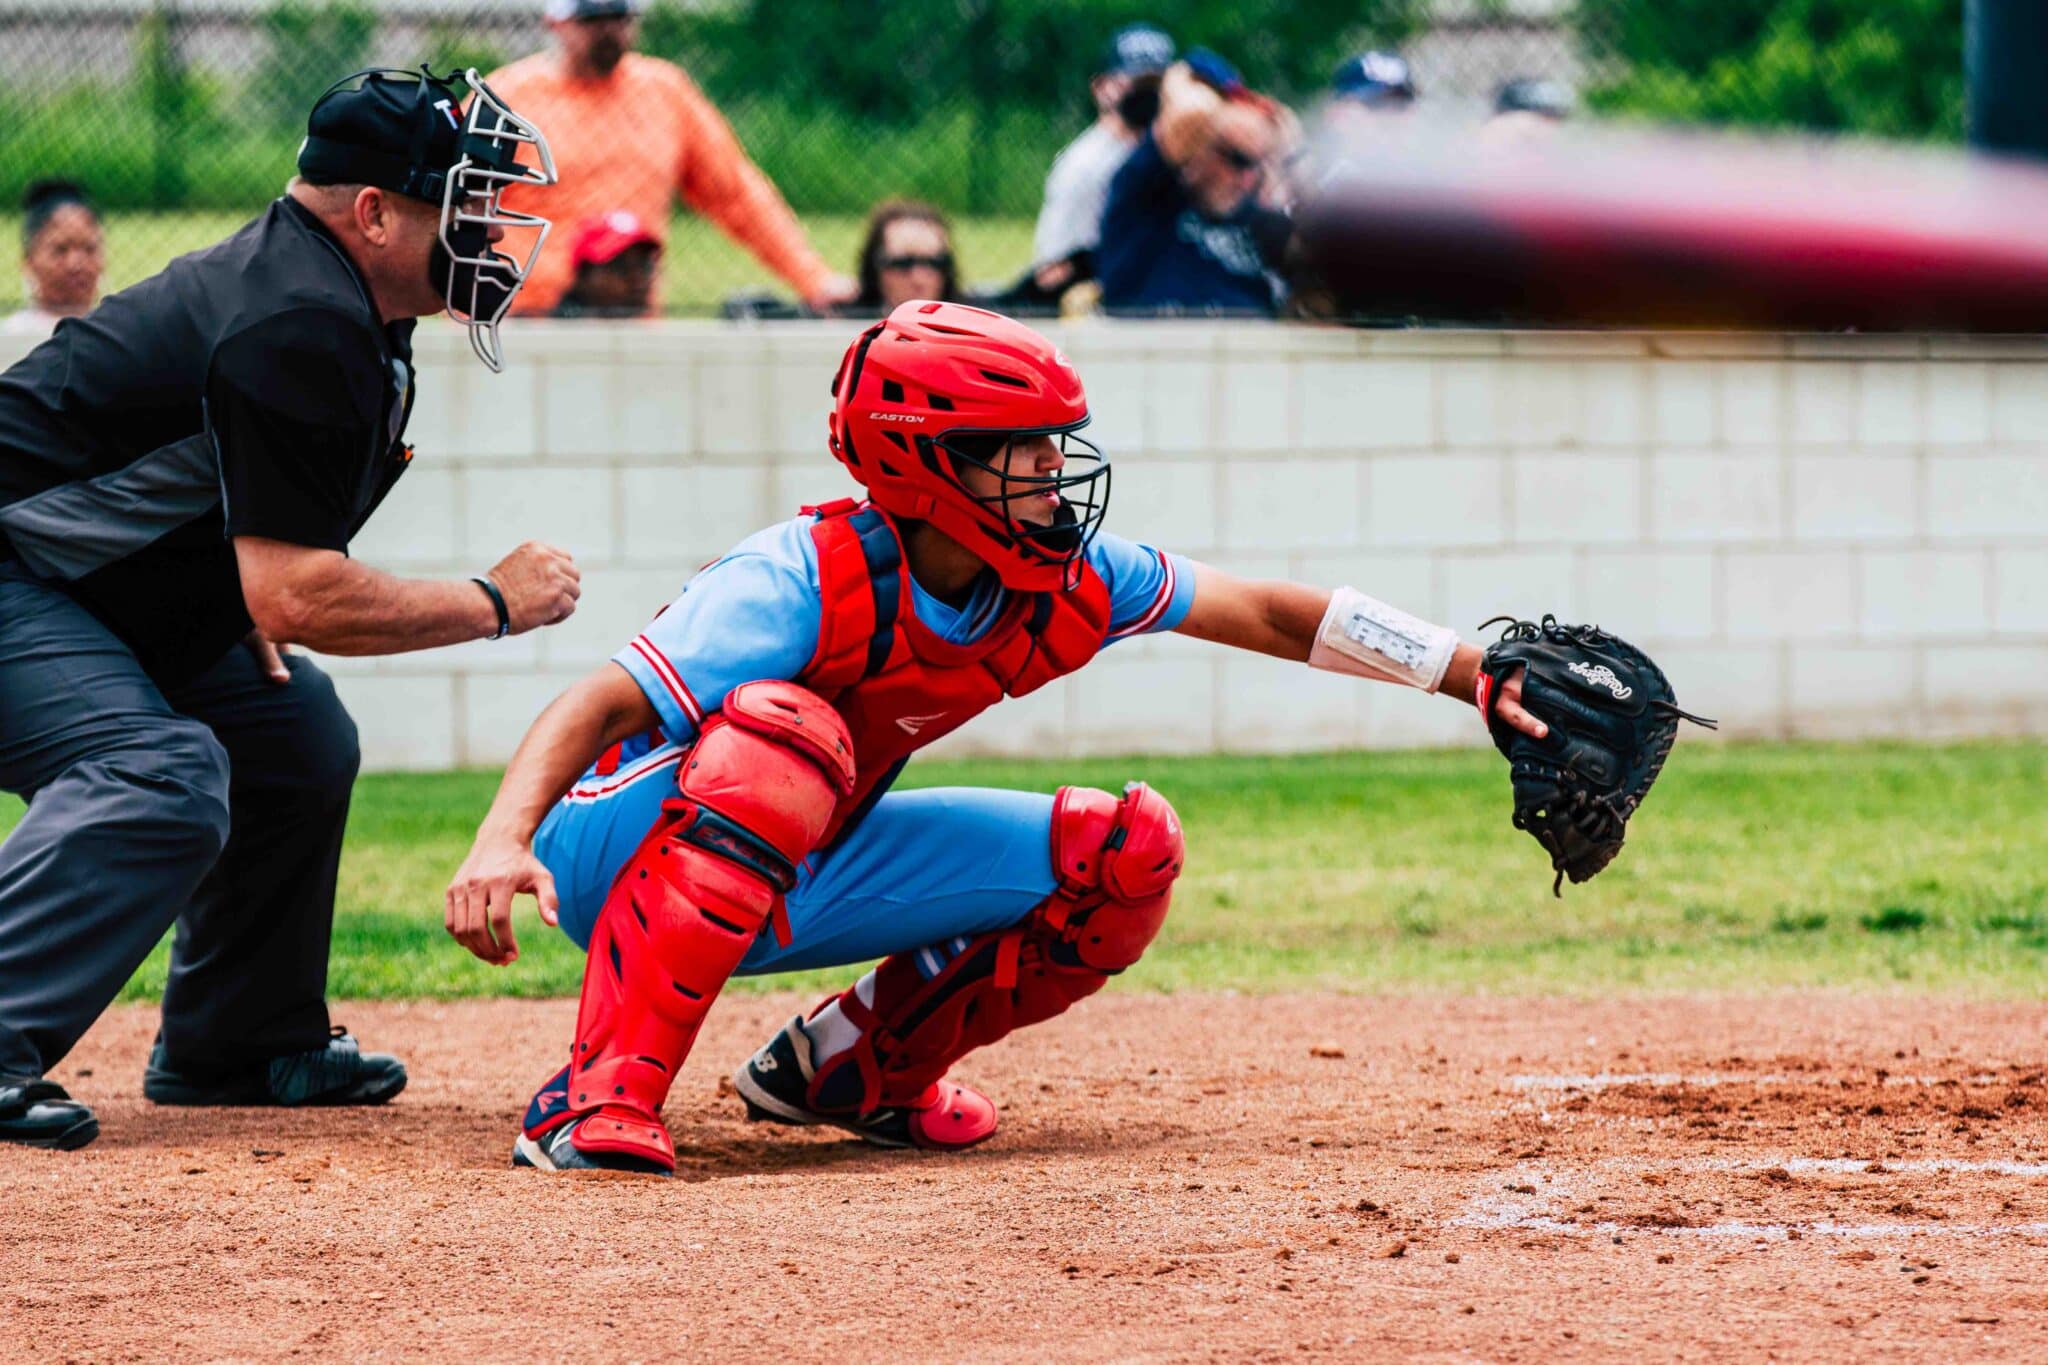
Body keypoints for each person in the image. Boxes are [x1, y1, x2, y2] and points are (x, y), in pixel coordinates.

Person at [444, 300, 1546, 1176]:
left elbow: (1261, 610)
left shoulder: (1062, 580)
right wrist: (502, 839)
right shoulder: (798, 580)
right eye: (1018, 451)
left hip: (801, 853)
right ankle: (596, 1096)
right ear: (925, 463)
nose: (1051, 475)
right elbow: (596, 706)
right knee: (787, 739)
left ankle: (848, 1073)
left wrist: (1470, 677)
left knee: (1121, 854)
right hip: (613, 856)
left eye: (1051, 446)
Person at [0, 66, 582, 1152]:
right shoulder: (297, 316)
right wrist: (495, 601)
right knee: (161, 775)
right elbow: (301, 591)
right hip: (15, 579)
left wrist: (242, 596)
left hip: (60, 582)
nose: (490, 227)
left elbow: (240, 539)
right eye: (463, 202)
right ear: (372, 212)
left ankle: (234, 1039)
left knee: (291, 738)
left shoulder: (339, 299)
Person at [486, 0, 855, 317]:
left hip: (628, 311)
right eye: (591, 20)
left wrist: (813, 278)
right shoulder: (510, 97)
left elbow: (735, 194)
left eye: (619, 17)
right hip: (523, 312)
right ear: (555, 22)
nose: (607, 31)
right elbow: (454, 205)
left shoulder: (663, 93)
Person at [1096, 53, 1295, 316]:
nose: (1246, 178)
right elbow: (1191, 112)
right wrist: (1178, 80)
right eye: (1236, 158)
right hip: (1164, 351)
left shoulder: (1251, 217)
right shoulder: (1141, 196)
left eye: (1251, 163)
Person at [1026, 23, 1176, 301]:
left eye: (1157, 85)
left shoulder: (1176, 152)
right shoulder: (1084, 165)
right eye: (1133, 84)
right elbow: (1053, 267)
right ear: (1100, 87)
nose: (1146, 96)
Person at [4, 180, 105, 337]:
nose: (76, 264)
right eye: (60, 250)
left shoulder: (116, 332)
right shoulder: (12, 335)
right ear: (29, 261)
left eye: (89, 249)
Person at [850, 200, 961, 314]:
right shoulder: (842, 321)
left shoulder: (972, 320)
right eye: (903, 263)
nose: (919, 279)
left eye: (935, 263)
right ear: (875, 268)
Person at [553, 209, 663, 317]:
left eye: (645, 265)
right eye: (621, 266)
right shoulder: (562, 331)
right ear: (585, 275)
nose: (638, 278)